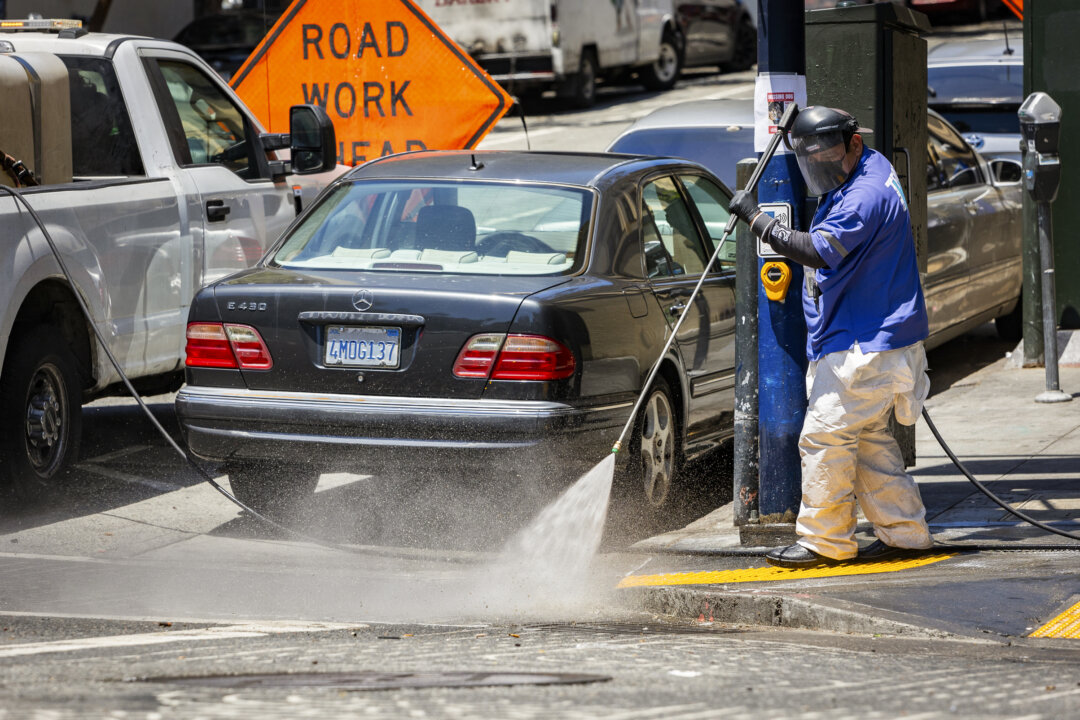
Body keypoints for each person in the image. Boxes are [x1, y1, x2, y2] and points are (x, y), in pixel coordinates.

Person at [729, 106, 935, 568]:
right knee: (865, 442)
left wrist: (757, 219)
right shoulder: (870, 167)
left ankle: (824, 541)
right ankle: (906, 533)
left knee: (824, 437)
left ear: (854, 144)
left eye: (829, 159)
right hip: (874, 339)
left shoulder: (862, 197)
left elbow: (818, 251)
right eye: (813, 163)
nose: (822, 170)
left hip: (864, 345)